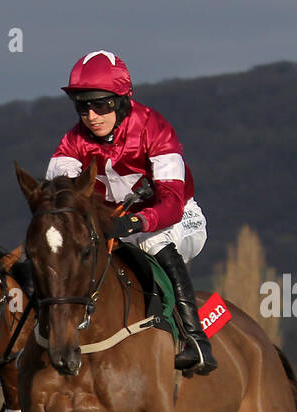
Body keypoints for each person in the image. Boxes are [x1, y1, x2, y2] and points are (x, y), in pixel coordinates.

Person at [45, 51, 216, 374]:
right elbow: (57, 200)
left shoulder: (155, 128)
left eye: (101, 104)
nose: (91, 115)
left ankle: (195, 339)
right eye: (83, 106)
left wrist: (135, 221)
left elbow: (171, 203)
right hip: (115, 225)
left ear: (122, 100)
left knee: (150, 241)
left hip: (176, 218)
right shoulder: (72, 142)